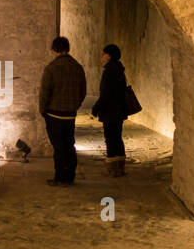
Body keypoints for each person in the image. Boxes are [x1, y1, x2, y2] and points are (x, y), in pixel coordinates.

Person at [38, 35, 87, 186]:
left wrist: (43, 110)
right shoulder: (77, 67)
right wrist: (75, 105)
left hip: (54, 114)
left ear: (55, 49)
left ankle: (59, 177)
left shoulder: (51, 68)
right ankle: (70, 177)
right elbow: (83, 91)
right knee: (69, 145)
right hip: (70, 114)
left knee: (58, 147)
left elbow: (45, 92)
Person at [92, 43, 129, 176]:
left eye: (104, 53)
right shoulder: (119, 69)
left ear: (110, 56)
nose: (102, 56)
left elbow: (106, 93)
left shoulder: (109, 71)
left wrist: (96, 108)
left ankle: (113, 168)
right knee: (117, 137)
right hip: (119, 109)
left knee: (110, 138)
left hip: (110, 110)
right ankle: (120, 167)